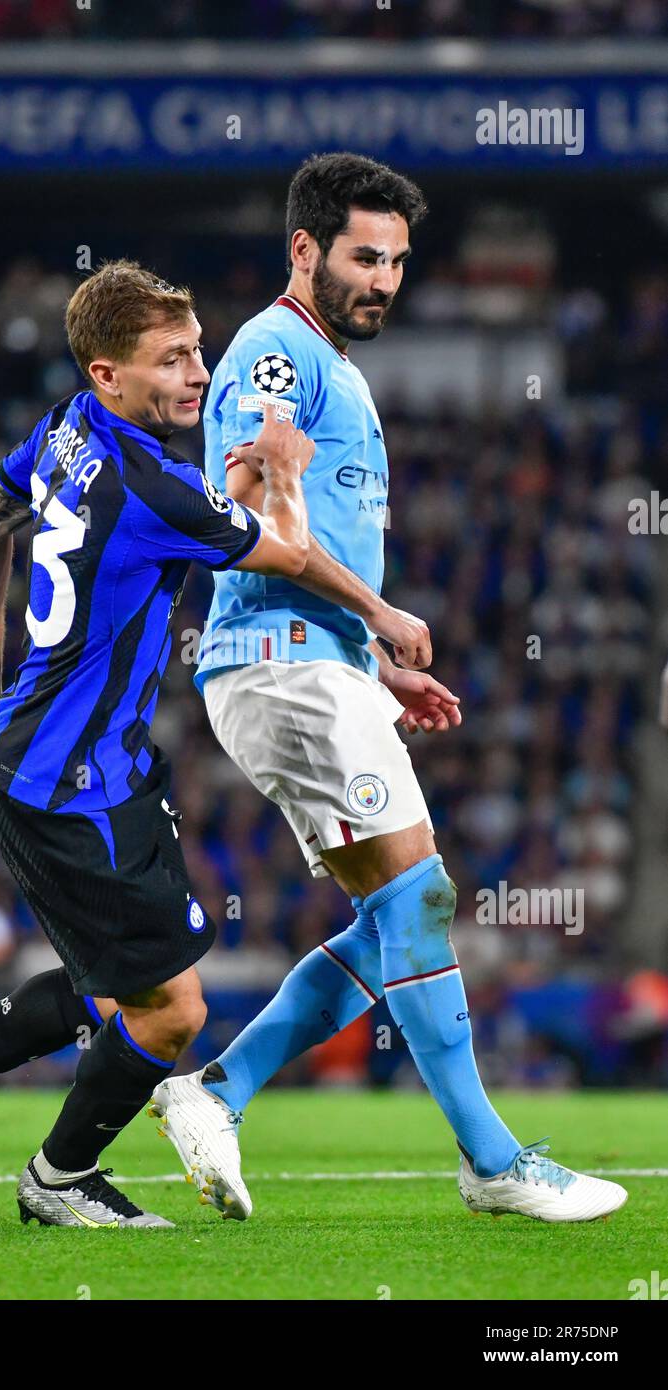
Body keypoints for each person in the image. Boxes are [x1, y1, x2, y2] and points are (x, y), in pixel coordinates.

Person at [0, 259, 413, 1229]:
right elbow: (287, 552)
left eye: (198, 351)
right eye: (171, 360)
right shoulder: (150, 483)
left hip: (79, 767)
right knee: (171, 1011)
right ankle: (57, 1179)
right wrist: (378, 604)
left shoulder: (72, 432)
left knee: (111, 982)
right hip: (67, 788)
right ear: (108, 372)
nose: (198, 373)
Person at [150, 153, 628, 1225]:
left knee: (398, 907)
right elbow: (246, 524)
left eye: (399, 261)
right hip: (283, 665)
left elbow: (287, 519)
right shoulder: (275, 350)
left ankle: (218, 1090)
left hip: (312, 665)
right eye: (365, 256)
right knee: (417, 898)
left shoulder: (326, 360)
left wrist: (370, 663)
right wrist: (376, 617)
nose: (384, 279)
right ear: (304, 250)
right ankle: (492, 1160)